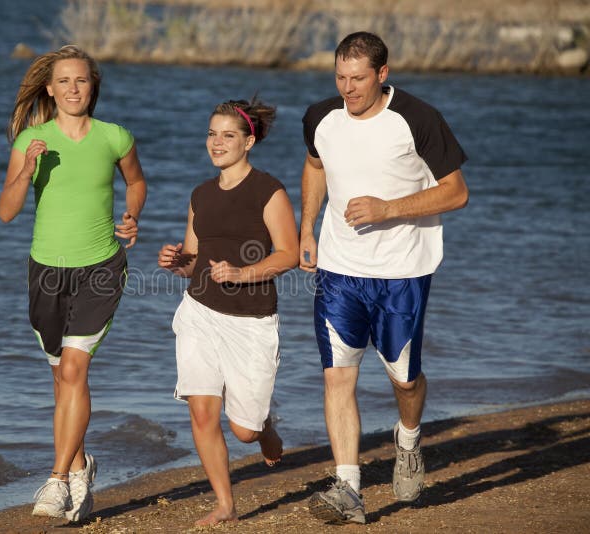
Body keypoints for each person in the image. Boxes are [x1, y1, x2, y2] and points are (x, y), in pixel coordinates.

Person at [299, 32, 469, 524]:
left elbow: (456, 192)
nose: (347, 88)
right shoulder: (320, 117)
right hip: (339, 269)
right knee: (337, 374)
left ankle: (408, 439)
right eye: (340, 77)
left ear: (382, 74)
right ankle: (347, 487)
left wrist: (387, 208)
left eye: (358, 79)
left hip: (402, 271)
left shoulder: (417, 119)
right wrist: (307, 226)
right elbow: (315, 165)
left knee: (405, 379)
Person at [0, 45, 147, 523]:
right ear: (49, 88)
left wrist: (132, 214)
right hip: (46, 270)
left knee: (74, 370)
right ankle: (81, 467)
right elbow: (6, 212)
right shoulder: (31, 140)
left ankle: (58, 479)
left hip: (101, 266)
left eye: (81, 80)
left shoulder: (114, 137)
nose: (72, 89)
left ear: (92, 86)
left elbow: (136, 182)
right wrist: (27, 169)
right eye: (63, 81)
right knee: (61, 379)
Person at [158, 98, 299, 527]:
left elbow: (289, 254)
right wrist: (176, 262)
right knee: (202, 411)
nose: (216, 143)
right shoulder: (200, 195)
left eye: (228, 135)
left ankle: (264, 426)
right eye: (211, 134)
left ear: (248, 142)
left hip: (251, 321)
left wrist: (241, 273)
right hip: (199, 312)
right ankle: (225, 505)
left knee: (245, 431)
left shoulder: (268, 191)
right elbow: (193, 262)